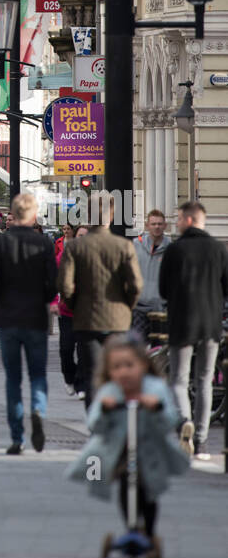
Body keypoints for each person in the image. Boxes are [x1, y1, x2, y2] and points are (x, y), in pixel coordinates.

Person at [66, 333, 188, 556]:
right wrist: (104, 409)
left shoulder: (154, 388)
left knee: (148, 490)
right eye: (117, 367)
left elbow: (170, 419)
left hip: (150, 448)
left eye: (129, 365)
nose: (124, 372)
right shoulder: (110, 391)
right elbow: (94, 423)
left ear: (142, 365)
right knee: (126, 482)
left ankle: (149, 533)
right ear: (109, 371)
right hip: (121, 449)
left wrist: (157, 408)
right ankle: (131, 527)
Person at [0, 191, 57, 455]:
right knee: (38, 374)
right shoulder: (44, 244)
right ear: (34, 214)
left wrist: (0, 299)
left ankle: (17, 436)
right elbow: (52, 284)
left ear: (13, 214)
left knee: (12, 378)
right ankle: (38, 408)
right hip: (36, 317)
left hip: (9, 317)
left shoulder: (0, 243)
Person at [57, 197, 142, 409]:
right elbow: (135, 285)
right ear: (111, 217)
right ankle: (117, 422)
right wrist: (126, 306)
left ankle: (96, 424)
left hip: (86, 319)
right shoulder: (123, 246)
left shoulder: (76, 247)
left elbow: (65, 286)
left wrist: (75, 305)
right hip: (117, 320)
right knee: (117, 372)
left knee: (92, 374)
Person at [159, 200, 228, 460]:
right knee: (205, 381)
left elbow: (163, 289)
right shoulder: (218, 249)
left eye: (178, 219)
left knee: (178, 379)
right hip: (210, 324)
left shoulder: (175, 250)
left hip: (181, 323)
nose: (176, 223)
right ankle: (201, 443)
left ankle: (184, 421)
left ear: (189, 220)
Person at [55, 225, 85, 398]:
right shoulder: (63, 257)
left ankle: (81, 384)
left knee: (83, 350)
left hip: (86, 312)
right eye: (79, 235)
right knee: (66, 349)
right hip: (66, 311)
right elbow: (54, 280)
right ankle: (69, 376)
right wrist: (54, 301)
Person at [132, 209, 170, 338]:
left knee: (159, 349)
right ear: (147, 225)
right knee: (138, 348)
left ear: (165, 225)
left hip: (161, 308)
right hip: (139, 307)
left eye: (160, 224)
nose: (157, 227)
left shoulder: (171, 249)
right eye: (153, 224)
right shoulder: (136, 245)